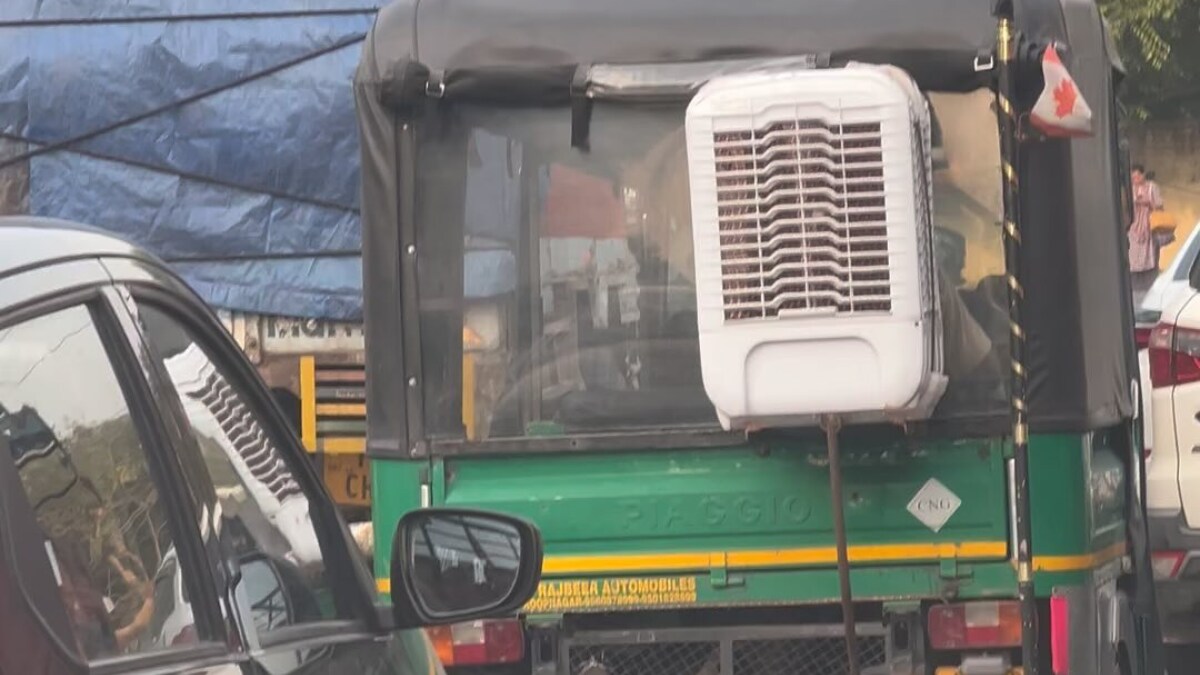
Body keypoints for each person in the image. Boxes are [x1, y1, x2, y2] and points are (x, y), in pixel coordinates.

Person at [1129, 164, 1164, 295]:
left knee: (1150, 252)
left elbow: (1159, 206)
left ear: (1143, 175)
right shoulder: (1129, 188)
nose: (1135, 179)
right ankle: (1135, 283)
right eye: (1133, 177)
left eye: (1138, 176)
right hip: (1133, 225)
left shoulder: (1151, 187)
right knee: (1132, 252)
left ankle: (1151, 283)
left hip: (1149, 225)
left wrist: (1147, 202)